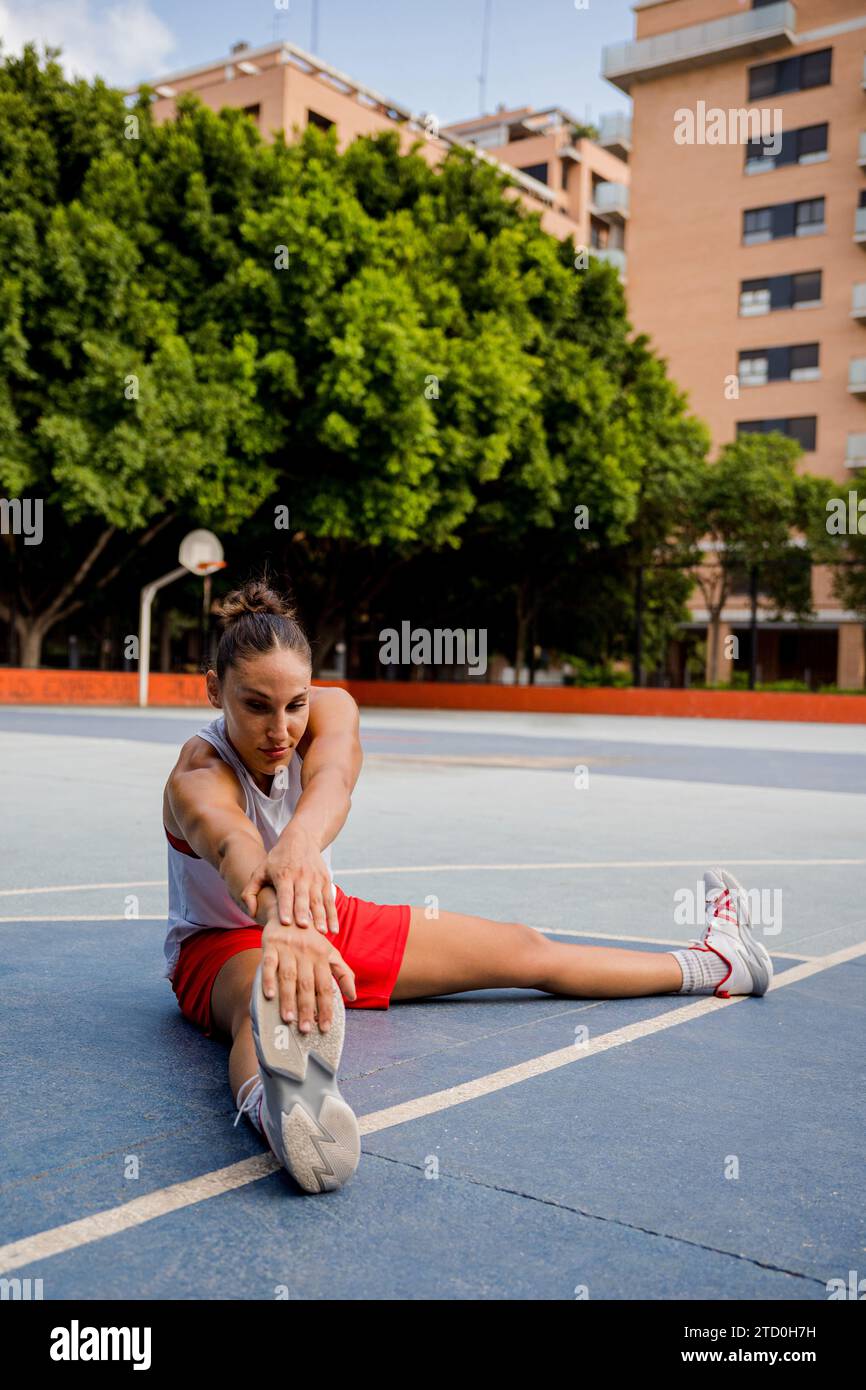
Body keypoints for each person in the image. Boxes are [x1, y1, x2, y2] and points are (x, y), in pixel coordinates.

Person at [163, 580, 773, 1195]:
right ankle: (285, 1116)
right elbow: (233, 848)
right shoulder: (197, 772)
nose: (280, 730)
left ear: (312, 690)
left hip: (326, 918)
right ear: (214, 691)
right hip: (222, 943)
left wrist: (298, 849)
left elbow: (333, 783)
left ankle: (718, 963)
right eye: (255, 706)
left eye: (295, 704)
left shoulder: (333, 709)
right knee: (262, 1005)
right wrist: (281, 922)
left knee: (525, 949)